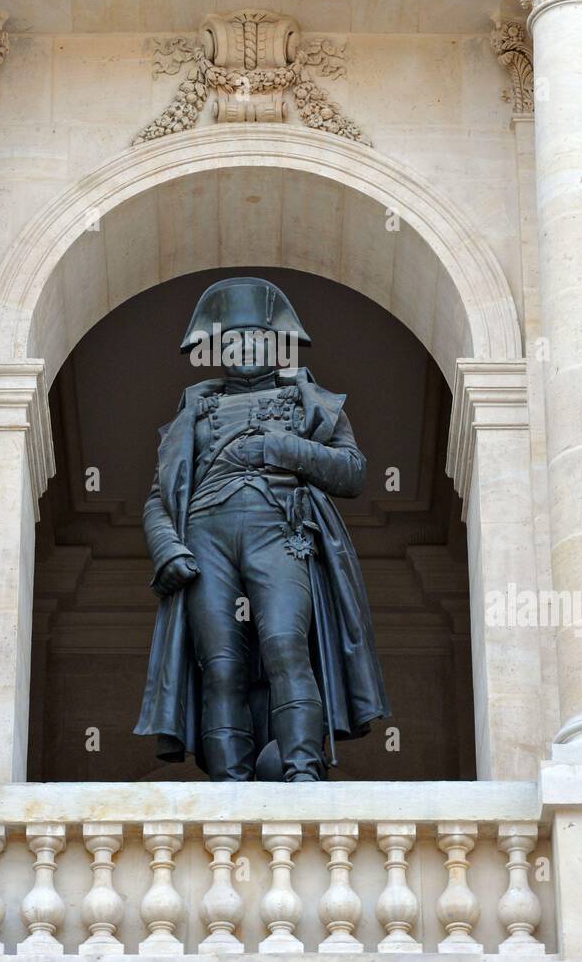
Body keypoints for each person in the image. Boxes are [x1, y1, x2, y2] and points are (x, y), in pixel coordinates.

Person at [134, 276, 390, 781]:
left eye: (255, 339)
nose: (244, 349)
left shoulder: (308, 403)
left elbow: (353, 472)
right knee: (220, 663)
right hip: (205, 535)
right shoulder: (193, 414)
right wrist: (166, 546)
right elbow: (160, 497)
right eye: (231, 341)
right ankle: (231, 782)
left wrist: (279, 447)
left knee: (284, 643)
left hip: (282, 530)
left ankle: (302, 772)